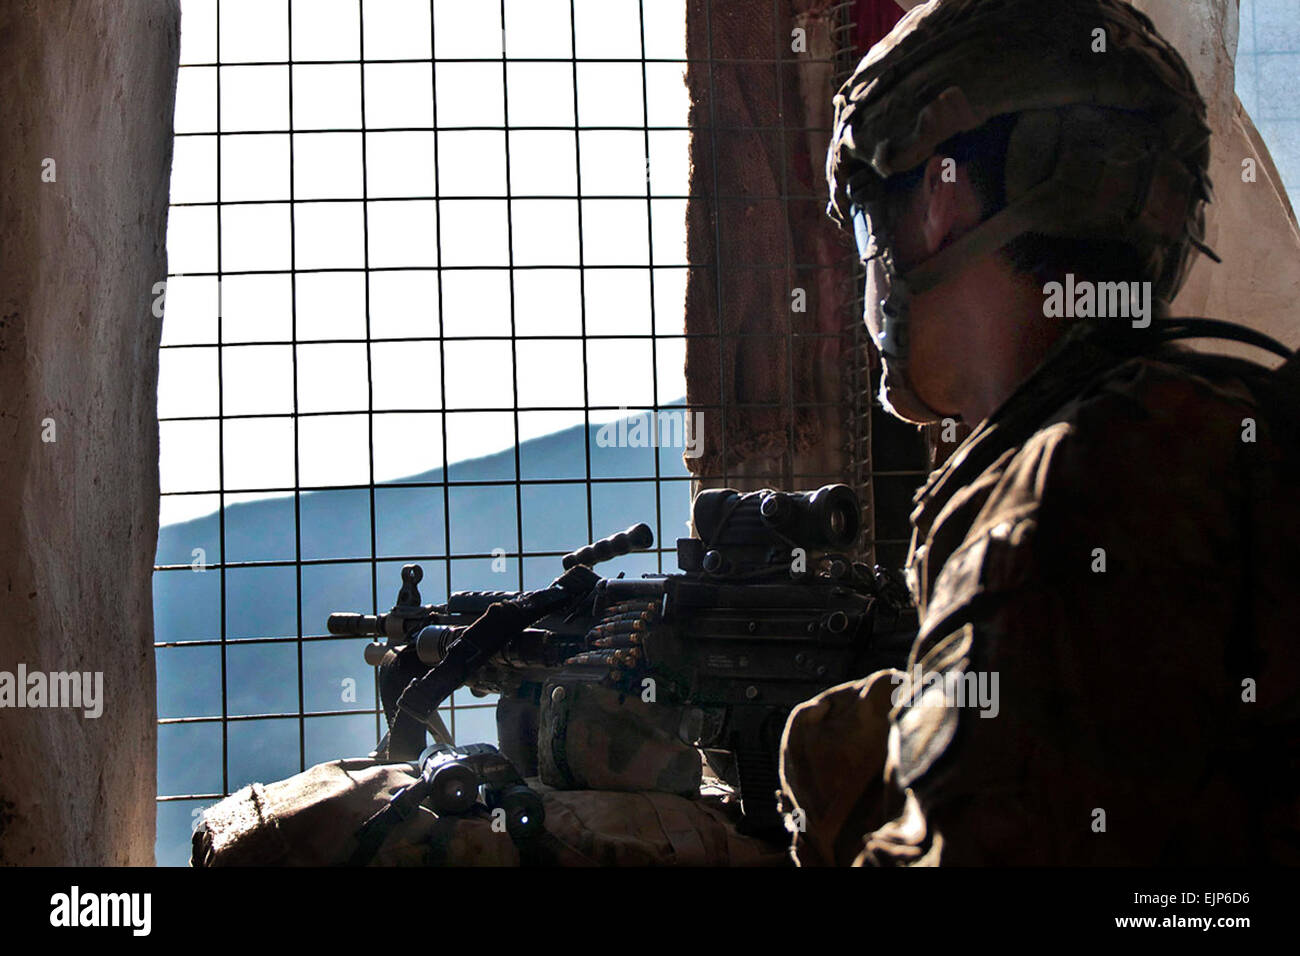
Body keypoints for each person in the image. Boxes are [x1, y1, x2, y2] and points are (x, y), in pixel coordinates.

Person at [778, 0, 1300, 866]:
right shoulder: (1225, 432)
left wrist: (848, 812)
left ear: (942, 201)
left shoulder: (1074, 498)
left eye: (871, 221)